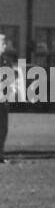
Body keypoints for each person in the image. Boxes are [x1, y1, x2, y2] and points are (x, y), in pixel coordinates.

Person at [0, 32, 14, 164]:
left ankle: (0, 155)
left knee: (3, 128)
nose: (5, 45)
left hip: (3, 100)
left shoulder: (6, 61)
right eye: (2, 43)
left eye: (5, 43)